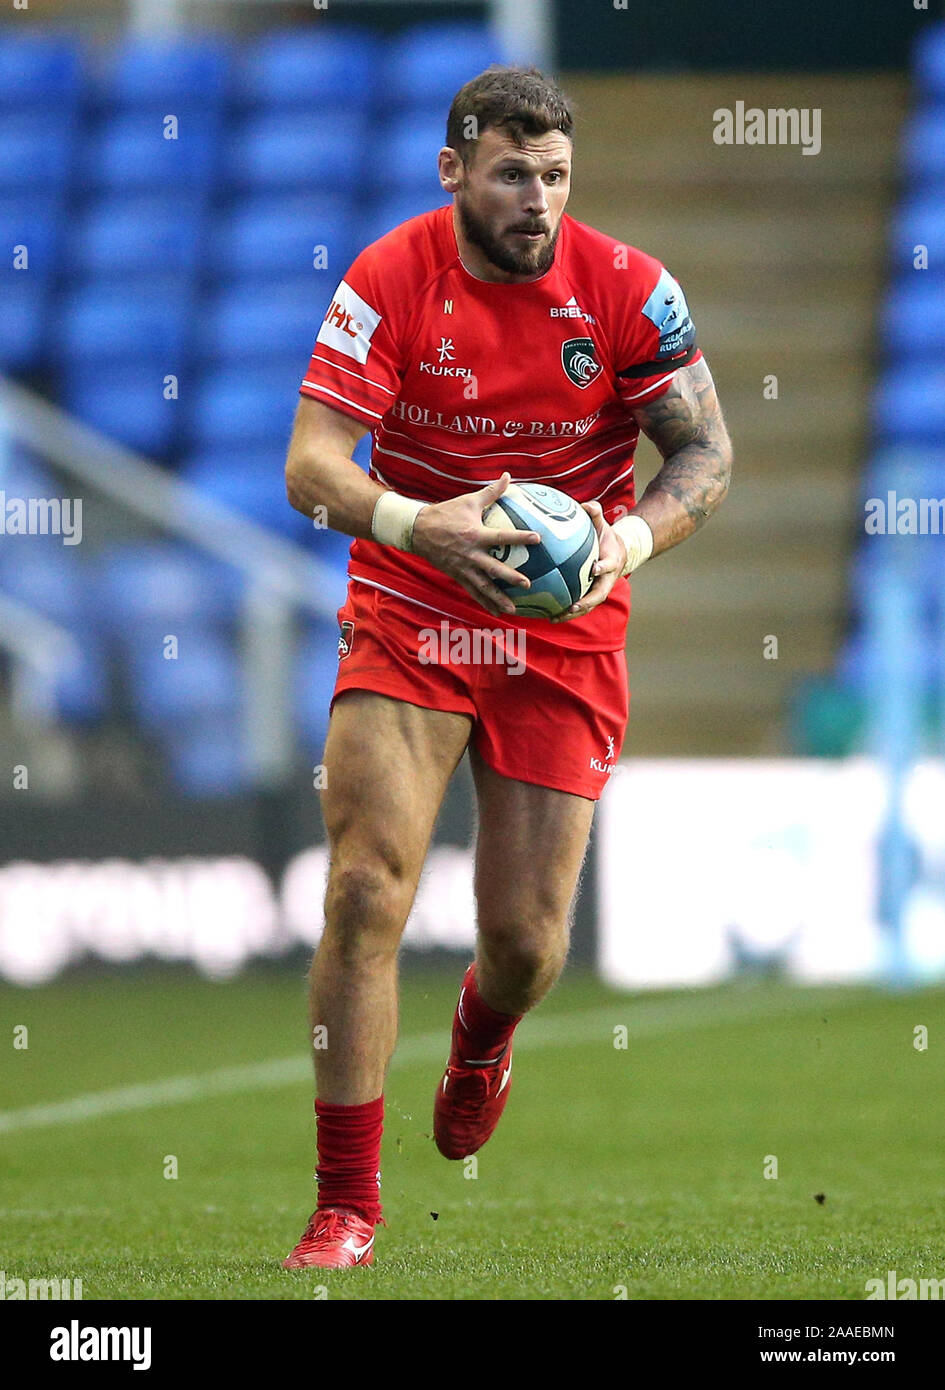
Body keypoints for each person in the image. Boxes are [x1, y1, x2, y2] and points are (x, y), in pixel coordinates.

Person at [281, 65, 732, 1269]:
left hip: (565, 621)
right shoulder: (389, 278)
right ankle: (346, 1203)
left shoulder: (631, 290)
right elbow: (312, 468)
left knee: (528, 944)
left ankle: (484, 1033)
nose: (537, 199)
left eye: (556, 176)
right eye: (511, 174)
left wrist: (621, 543)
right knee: (366, 889)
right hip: (416, 596)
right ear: (454, 171)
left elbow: (705, 451)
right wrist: (415, 523)